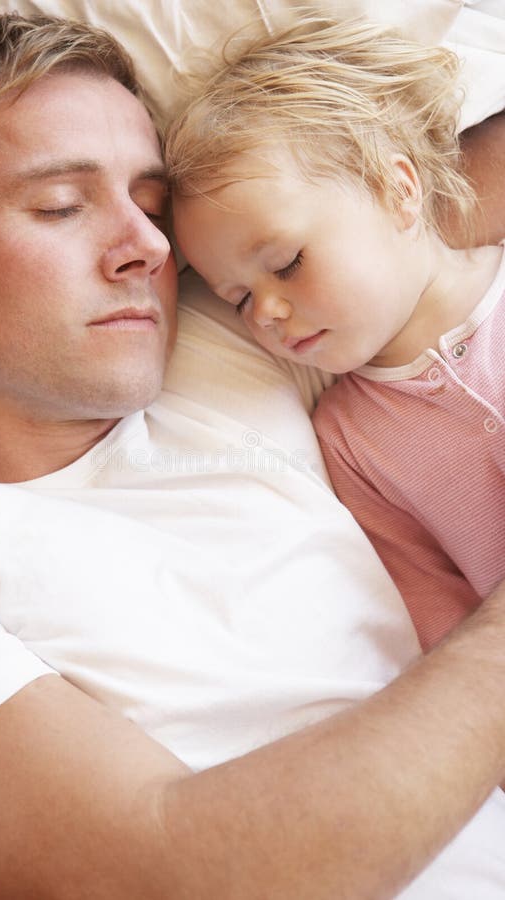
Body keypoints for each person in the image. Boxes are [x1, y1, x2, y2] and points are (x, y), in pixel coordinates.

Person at [0, 12, 505, 900]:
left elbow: (386, 208)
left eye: (154, 211)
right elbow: (167, 875)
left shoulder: (241, 344)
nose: (150, 248)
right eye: (62, 206)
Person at [166, 15, 504, 653]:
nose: (265, 311)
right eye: (237, 299)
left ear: (397, 190)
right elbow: (438, 619)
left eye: (287, 263)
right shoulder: (351, 441)